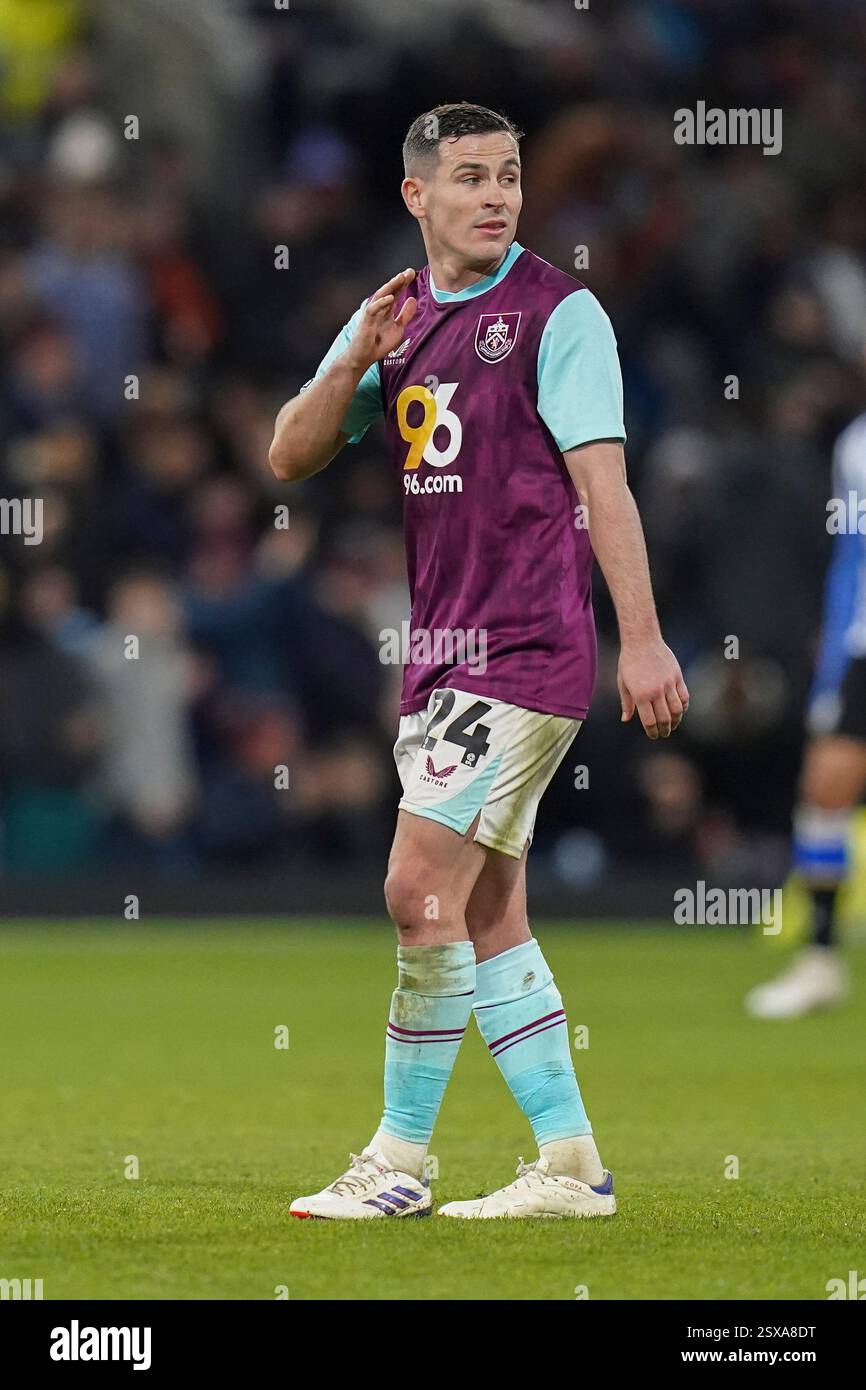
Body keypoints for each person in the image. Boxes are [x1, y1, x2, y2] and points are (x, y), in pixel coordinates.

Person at [270, 102, 688, 1219]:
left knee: (415, 891)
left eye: (506, 175)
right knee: (489, 908)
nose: (495, 194)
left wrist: (638, 639)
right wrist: (353, 357)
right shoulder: (394, 320)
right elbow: (287, 452)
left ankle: (397, 1161)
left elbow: (604, 487)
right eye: (468, 177)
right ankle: (567, 1165)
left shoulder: (560, 313)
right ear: (417, 196)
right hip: (442, 655)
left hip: (523, 648)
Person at [745, 406, 866, 1019]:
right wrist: (832, 671)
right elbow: (851, 560)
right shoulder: (856, 443)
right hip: (862, 653)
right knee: (824, 790)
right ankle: (820, 961)